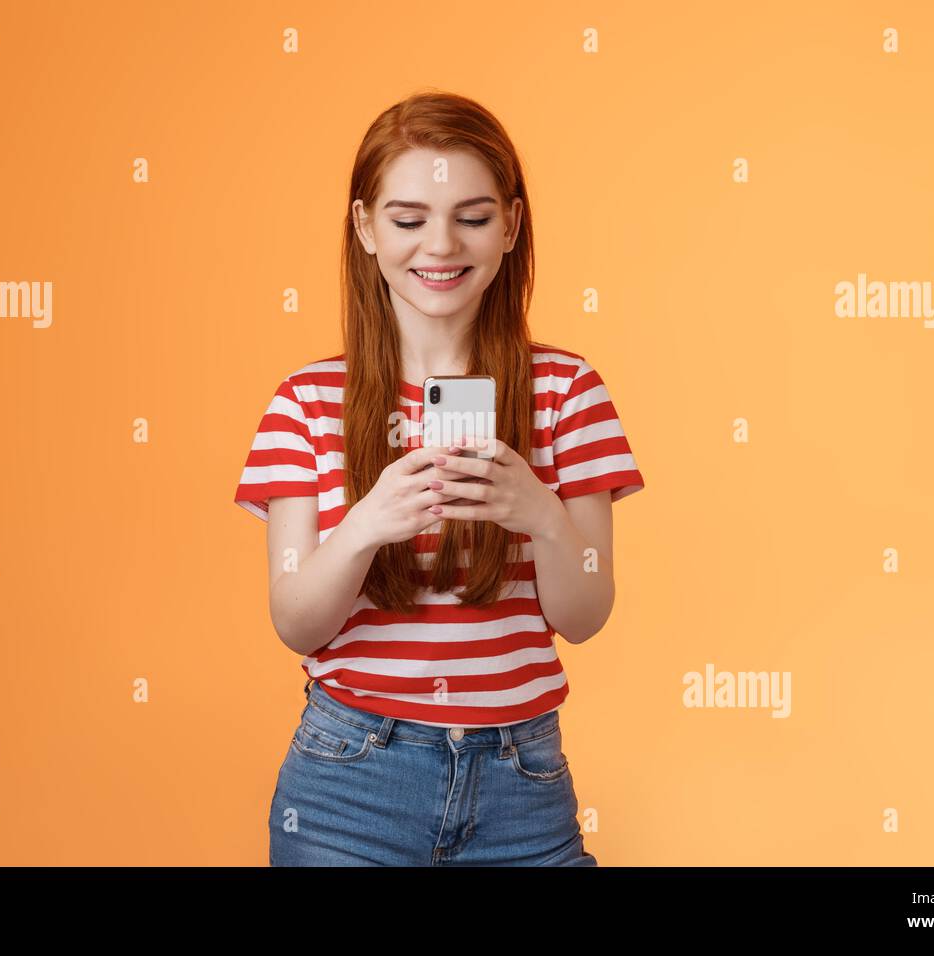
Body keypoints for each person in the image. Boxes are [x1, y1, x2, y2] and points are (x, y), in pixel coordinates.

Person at [234, 90, 644, 866]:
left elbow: (585, 617)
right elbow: (296, 622)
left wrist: (544, 517)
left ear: (512, 226)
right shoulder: (308, 402)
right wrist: (365, 525)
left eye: (474, 216)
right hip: (349, 785)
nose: (442, 246)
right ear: (365, 228)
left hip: (521, 781)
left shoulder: (567, 392)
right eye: (409, 218)